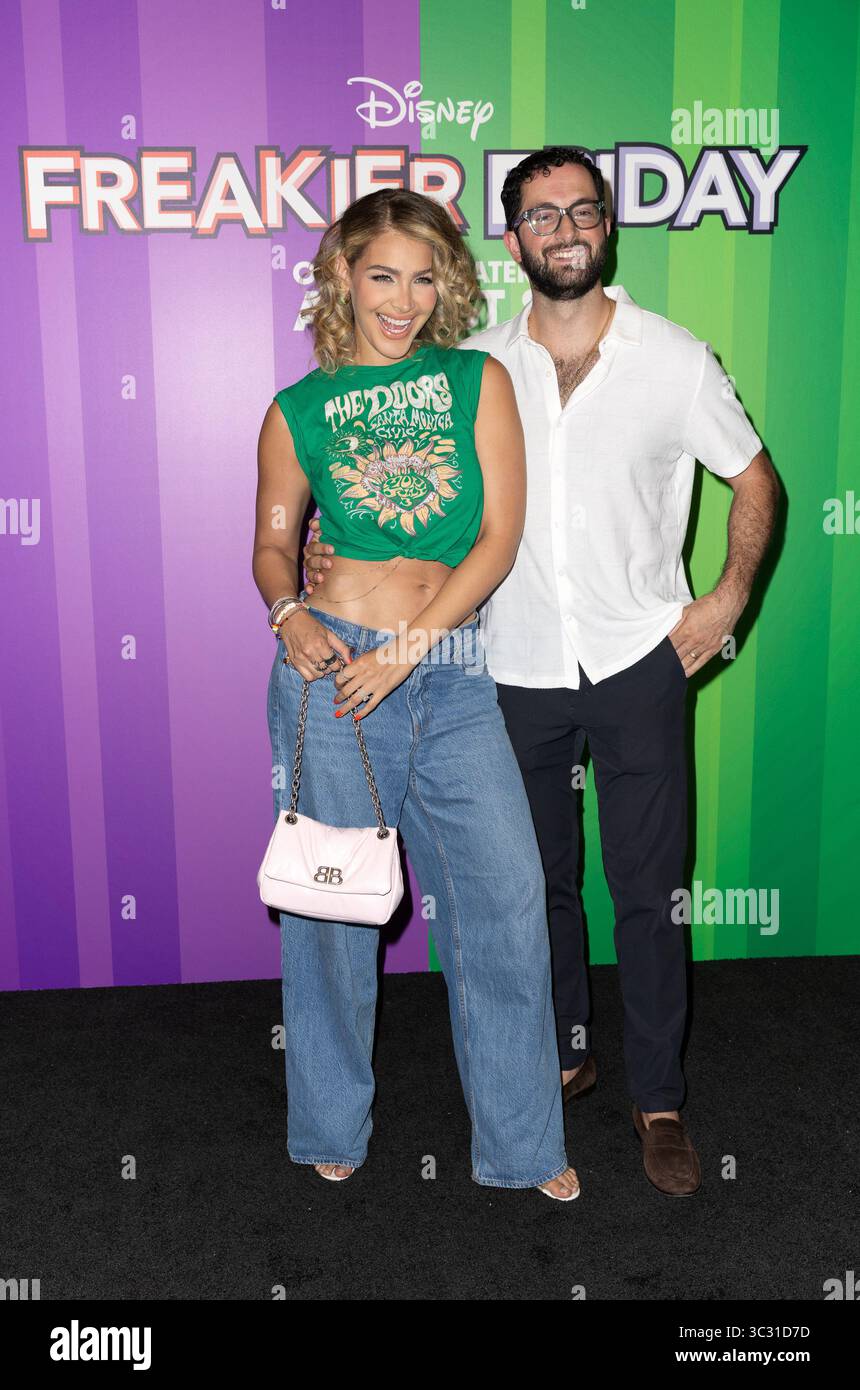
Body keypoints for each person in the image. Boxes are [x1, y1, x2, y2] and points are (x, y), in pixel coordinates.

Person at [303, 149, 781, 1198]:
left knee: (649, 893)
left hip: (638, 660)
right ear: (514, 239)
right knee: (536, 889)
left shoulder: (673, 358)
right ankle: (565, 1054)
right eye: (541, 215)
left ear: (606, 225)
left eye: (581, 210)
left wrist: (726, 600)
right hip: (508, 668)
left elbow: (755, 479)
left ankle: (658, 1099)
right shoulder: (470, 368)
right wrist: (333, 554)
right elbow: (404, 494)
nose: (565, 229)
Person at [253, 187, 581, 1200]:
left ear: (446, 287)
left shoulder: (475, 379)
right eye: (382, 276)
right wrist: (287, 612)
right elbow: (271, 545)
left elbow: (497, 540)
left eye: (423, 279)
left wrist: (407, 648)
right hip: (332, 673)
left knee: (505, 901)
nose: (402, 301)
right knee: (332, 912)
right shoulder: (296, 410)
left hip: (448, 671)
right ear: (342, 277)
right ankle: (327, 1123)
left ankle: (523, 1146)